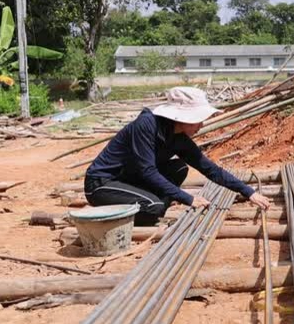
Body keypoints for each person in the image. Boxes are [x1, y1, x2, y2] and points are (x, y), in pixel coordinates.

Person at [83, 86, 272, 226]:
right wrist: (187, 198)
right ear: (182, 117)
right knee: (154, 208)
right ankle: (152, 208)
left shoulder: (179, 137)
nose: (201, 125)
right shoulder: (146, 125)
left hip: (131, 179)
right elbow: (147, 171)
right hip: (102, 184)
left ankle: (152, 204)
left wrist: (249, 192)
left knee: (179, 168)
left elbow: (210, 169)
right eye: (198, 119)